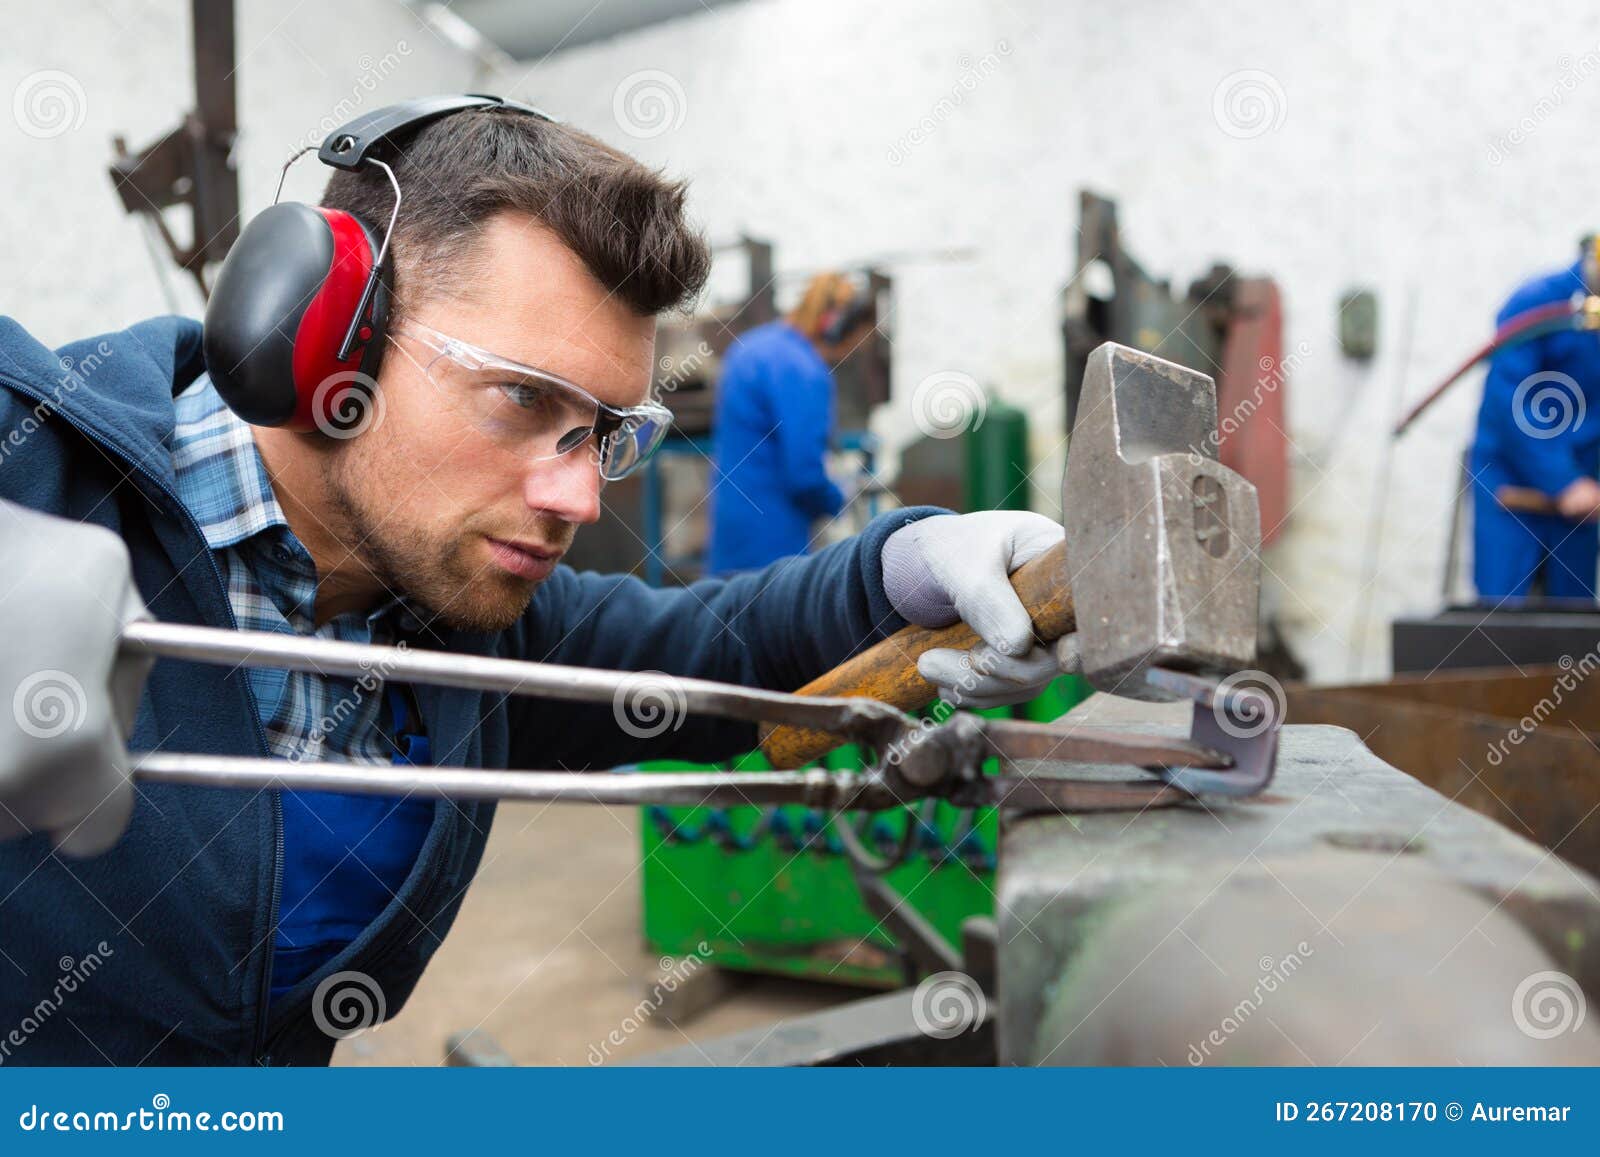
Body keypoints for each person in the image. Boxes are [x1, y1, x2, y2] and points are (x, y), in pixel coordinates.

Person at [0, 98, 1071, 1064]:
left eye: (601, 434)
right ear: (325, 335)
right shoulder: (26, 462)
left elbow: (719, 647)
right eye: (521, 398)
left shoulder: (464, 621)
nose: (576, 497)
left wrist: (910, 564)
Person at [706, 272, 876, 574]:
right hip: (774, 539)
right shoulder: (803, 369)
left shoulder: (750, 346)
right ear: (834, 326)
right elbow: (804, 477)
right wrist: (841, 494)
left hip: (732, 526)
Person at [1471, 238, 1600, 598]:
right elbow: (1510, 401)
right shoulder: (1538, 303)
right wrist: (1563, 481)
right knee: (1503, 622)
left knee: (1572, 631)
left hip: (1583, 497)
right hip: (1512, 487)